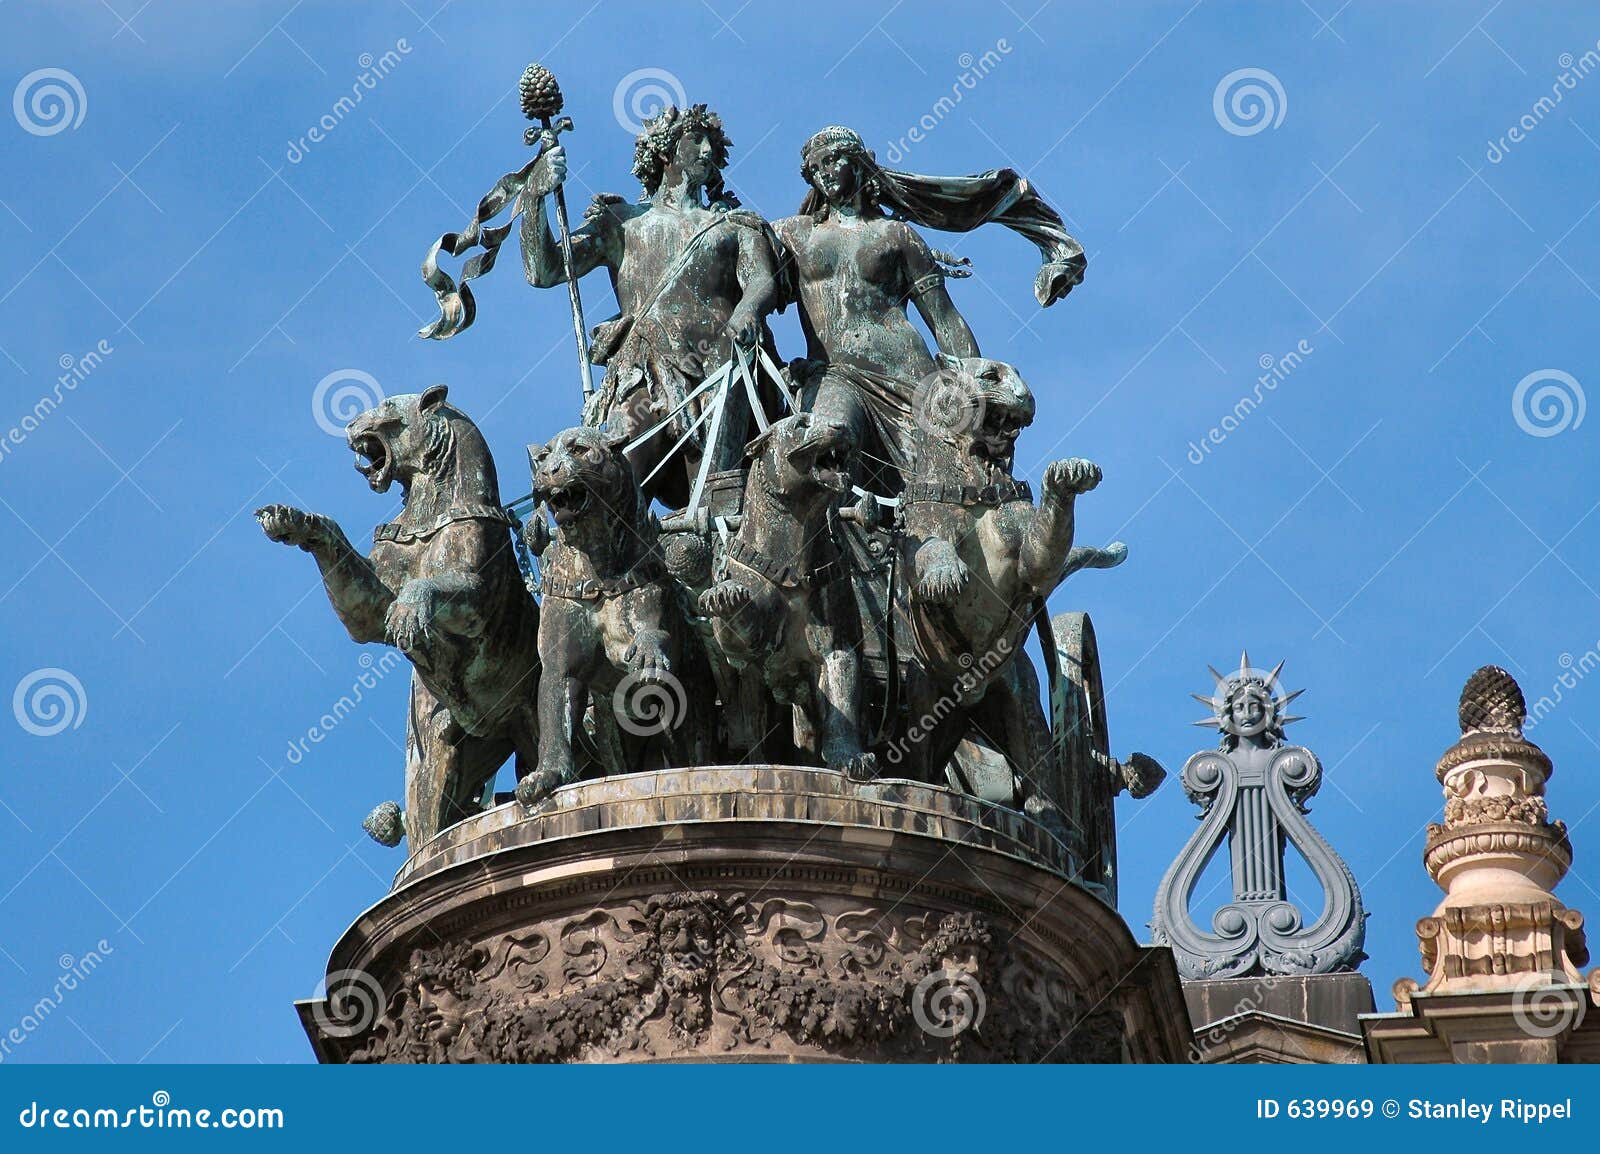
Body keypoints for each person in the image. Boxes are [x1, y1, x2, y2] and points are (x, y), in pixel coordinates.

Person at [521, 104, 786, 508]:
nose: (706, 151)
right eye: (695, 140)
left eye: (711, 143)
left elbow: (762, 280)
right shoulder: (622, 222)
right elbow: (544, 270)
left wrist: (748, 309)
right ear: (665, 151)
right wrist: (536, 196)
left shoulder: (734, 225)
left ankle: (720, 519)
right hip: (647, 371)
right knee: (611, 476)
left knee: (720, 491)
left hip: (724, 362)